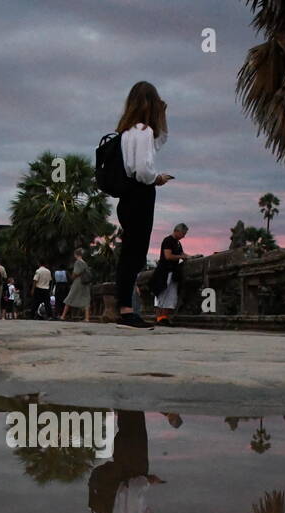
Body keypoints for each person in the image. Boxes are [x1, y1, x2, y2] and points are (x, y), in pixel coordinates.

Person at [114, 81, 172, 329]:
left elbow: (159, 142)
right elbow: (143, 169)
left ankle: (124, 307)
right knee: (135, 255)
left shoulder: (126, 132)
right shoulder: (144, 131)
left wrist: (163, 119)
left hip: (126, 197)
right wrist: (156, 178)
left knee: (129, 252)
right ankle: (127, 310)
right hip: (141, 195)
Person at [152, 222, 191, 326]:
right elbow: (168, 256)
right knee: (162, 294)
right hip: (164, 271)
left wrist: (190, 257)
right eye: (183, 233)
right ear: (177, 231)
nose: (184, 236)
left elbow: (182, 254)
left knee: (171, 296)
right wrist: (181, 257)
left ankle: (164, 318)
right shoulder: (168, 240)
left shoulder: (178, 243)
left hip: (173, 272)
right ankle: (159, 318)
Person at [61, 247, 92, 322]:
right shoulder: (84, 263)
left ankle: (63, 316)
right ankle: (87, 318)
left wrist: (71, 277)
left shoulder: (78, 262)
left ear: (76, 254)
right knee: (86, 299)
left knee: (70, 297)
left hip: (78, 282)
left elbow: (76, 273)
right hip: (85, 283)